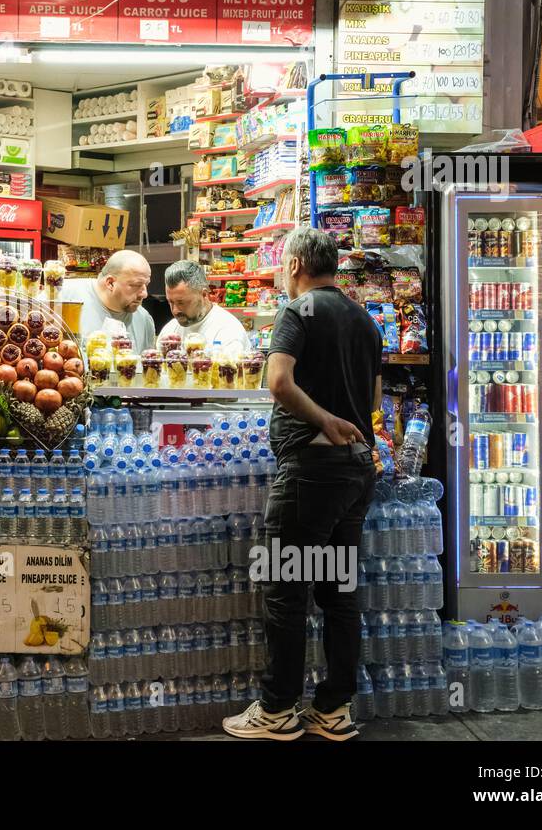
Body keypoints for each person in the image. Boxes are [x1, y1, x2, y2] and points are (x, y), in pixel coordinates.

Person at [223, 227, 381, 742]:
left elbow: (278, 382)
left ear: (293, 266)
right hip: (357, 471)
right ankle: (333, 710)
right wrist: (343, 420)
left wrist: (324, 420)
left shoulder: (298, 311)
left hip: (311, 474)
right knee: (339, 592)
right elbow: (374, 394)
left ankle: (277, 709)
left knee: (285, 591)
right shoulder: (364, 318)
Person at [158, 259, 249, 358]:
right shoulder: (169, 332)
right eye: (170, 302)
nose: (175, 310)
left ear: (204, 295)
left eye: (181, 302)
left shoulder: (228, 331)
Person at [78, 250, 156, 352]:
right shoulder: (67, 299)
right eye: (136, 285)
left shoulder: (143, 319)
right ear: (110, 283)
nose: (144, 294)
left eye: (146, 284)